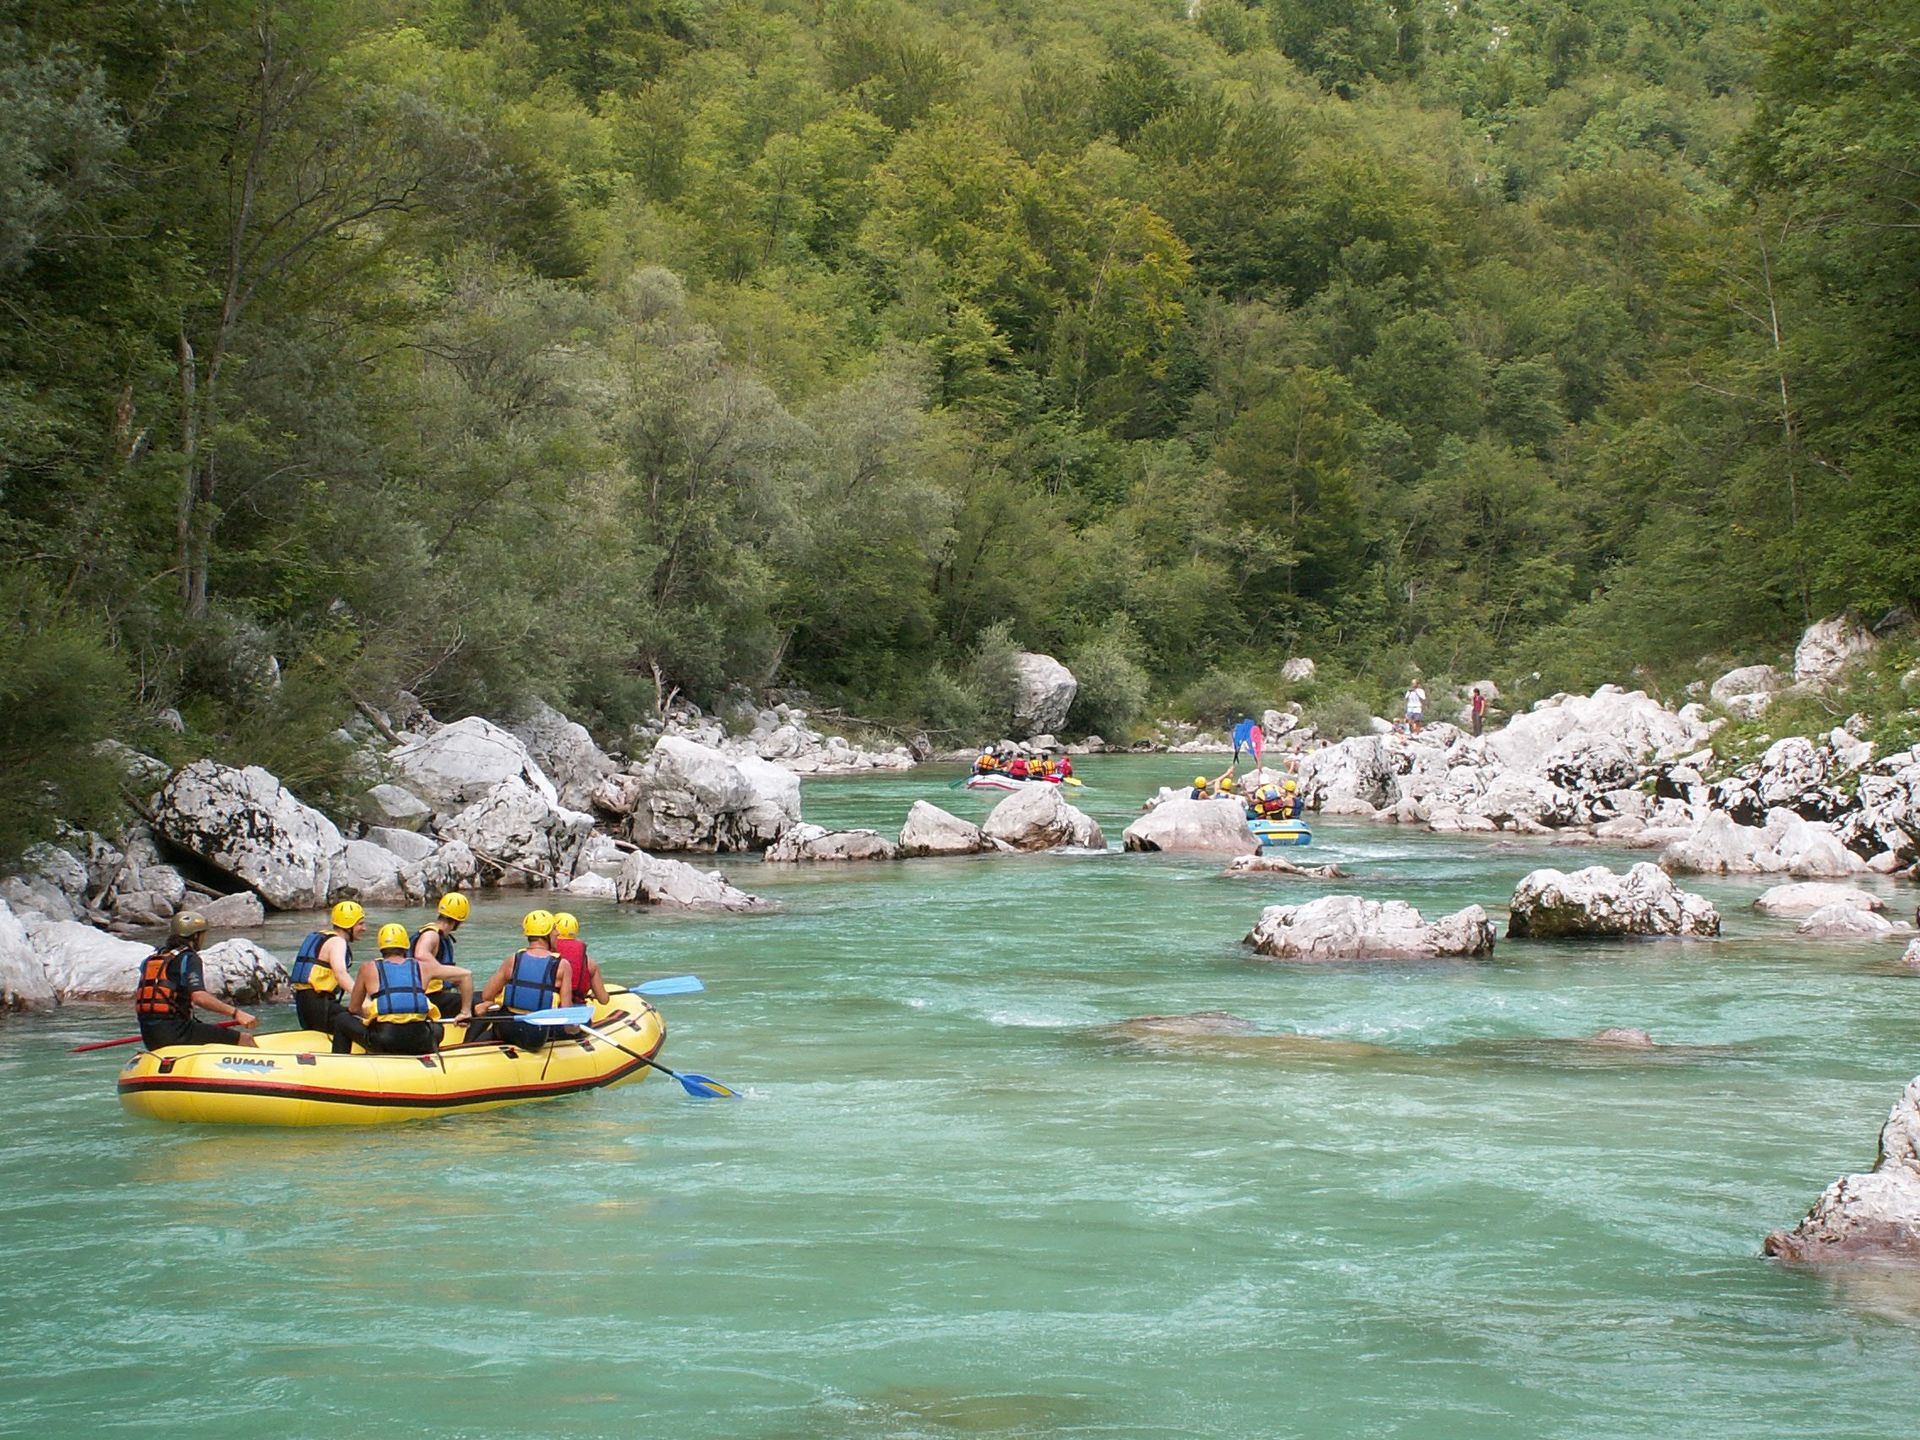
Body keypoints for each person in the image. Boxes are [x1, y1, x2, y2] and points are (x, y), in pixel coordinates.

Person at [135, 910, 259, 1049]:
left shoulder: (152, 959)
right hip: (176, 1033)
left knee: (205, 1030)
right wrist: (236, 1013)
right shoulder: (188, 958)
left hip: (150, 1036)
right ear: (195, 936)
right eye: (203, 934)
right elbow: (199, 997)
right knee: (245, 1039)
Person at [472, 910, 575, 1051]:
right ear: (545, 934)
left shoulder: (513, 960)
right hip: (535, 1036)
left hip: (506, 1029)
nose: (557, 933)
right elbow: (566, 1012)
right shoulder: (562, 965)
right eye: (554, 929)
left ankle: (468, 1047)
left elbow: (486, 995)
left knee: (491, 1021)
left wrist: (492, 1002)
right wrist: (574, 1029)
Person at [345, 924, 451, 1056]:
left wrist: (369, 1016)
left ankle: (338, 1060)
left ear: (381, 946)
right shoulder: (422, 966)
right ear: (406, 946)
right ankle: (429, 1057)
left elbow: (353, 1008)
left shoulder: (367, 968)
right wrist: (464, 1011)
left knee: (342, 1019)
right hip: (422, 1039)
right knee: (437, 1027)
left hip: (386, 1039)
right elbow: (464, 975)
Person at [290, 900, 371, 1053]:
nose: (364, 928)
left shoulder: (322, 937)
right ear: (348, 924)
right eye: (360, 924)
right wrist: (363, 1000)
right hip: (321, 1007)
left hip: (305, 1007)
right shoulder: (337, 942)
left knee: (353, 1013)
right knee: (366, 1026)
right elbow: (341, 974)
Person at [411, 892, 472, 1019]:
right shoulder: (432, 935)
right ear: (458, 921)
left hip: (433, 994)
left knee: (475, 995)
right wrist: (442, 971)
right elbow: (420, 954)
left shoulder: (440, 935)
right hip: (429, 997)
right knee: (477, 1003)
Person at [551, 912, 609, 1010]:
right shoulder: (589, 963)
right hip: (577, 1012)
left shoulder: (544, 957)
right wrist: (593, 993)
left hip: (549, 1009)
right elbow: (604, 1000)